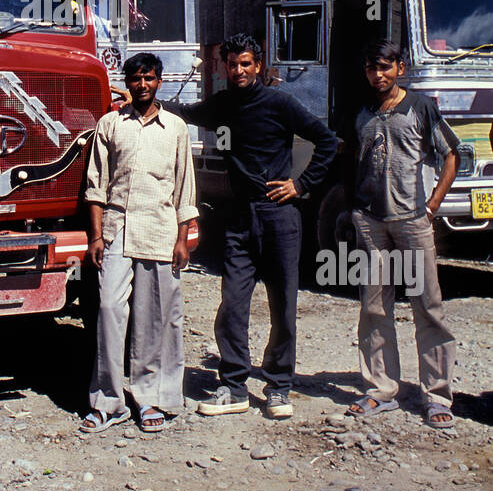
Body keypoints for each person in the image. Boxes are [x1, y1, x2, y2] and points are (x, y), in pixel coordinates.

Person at [160, 33, 337, 420]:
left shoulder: (280, 103)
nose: (239, 70)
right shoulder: (224, 104)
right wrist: (148, 100)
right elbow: (187, 112)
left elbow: (327, 140)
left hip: (279, 216)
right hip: (239, 219)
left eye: (246, 63)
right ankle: (234, 385)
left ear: (257, 65)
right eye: (232, 64)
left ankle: (278, 387)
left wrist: (301, 184)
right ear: (225, 67)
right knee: (233, 304)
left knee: (283, 304)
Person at [80, 52, 198, 434]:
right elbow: (96, 186)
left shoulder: (176, 128)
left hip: (160, 233)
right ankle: (108, 402)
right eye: (135, 78)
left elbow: (184, 191)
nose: (142, 85)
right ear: (127, 82)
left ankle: (150, 399)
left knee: (154, 319)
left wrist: (182, 239)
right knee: (110, 312)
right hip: (116, 230)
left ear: (159, 82)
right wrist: (96, 236)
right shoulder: (110, 124)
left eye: (148, 78)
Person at [345, 38, 458, 429]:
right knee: (374, 307)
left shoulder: (420, 108)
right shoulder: (361, 112)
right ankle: (380, 389)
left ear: (400, 68)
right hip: (371, 222)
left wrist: (433, 205)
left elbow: (451, 153)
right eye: (372, 68)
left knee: (428, 306)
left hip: (412, 220)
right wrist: (355, 209)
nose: (378, 75)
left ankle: (437, 395)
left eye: (385, 67)